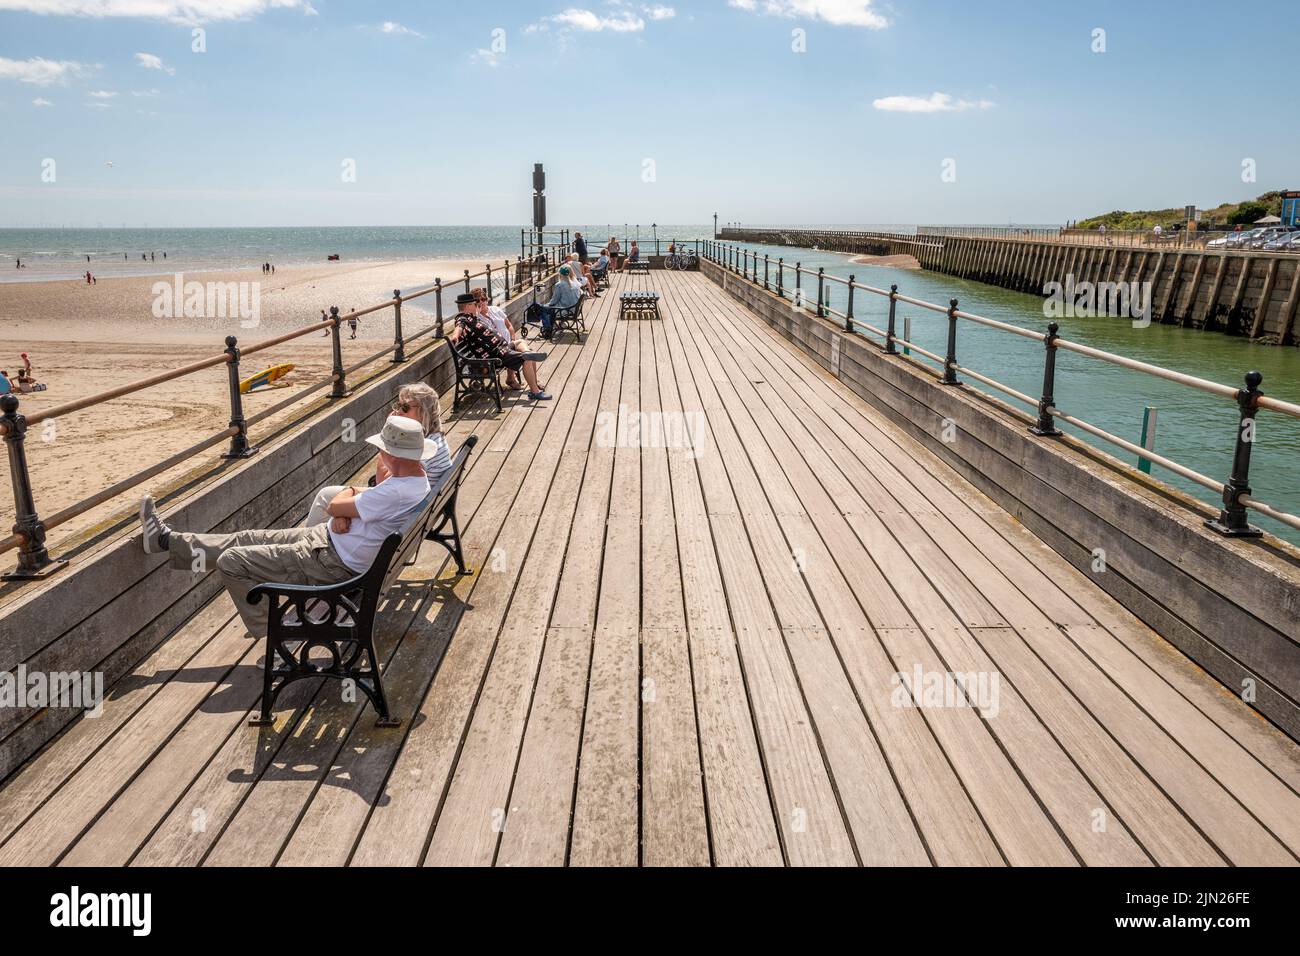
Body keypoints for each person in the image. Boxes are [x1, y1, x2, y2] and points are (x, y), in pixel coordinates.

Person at [140, 415, 434, 638]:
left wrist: (342, 509)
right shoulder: (415, 483)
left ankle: (275, 631)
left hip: (329, 563)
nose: (379, 453)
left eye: (382, 449)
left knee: (232, 561)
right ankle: (166, 541)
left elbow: (338, 502)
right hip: (327, 545)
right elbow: (353, 496)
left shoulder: (395, 490)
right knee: (247, 538)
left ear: (392, 455)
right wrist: (345, 510)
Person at [306, 383, 451, 525]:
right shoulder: (433, 438)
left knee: (326, 498)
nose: (399, 411)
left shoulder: (420, 448)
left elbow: (382, 481)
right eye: (398, 405)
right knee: (327, 495)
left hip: (404, 511)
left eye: (405, 407)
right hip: (413, 506)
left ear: (424, 412)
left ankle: (316, 541)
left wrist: (387, 438)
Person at [449, 291, 550, 400]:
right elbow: (459, 325)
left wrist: (477, 313)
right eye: (475, 304)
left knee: (521, 343)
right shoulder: (463, 318)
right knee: (528, 358)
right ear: (468, 306)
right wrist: (455, 336)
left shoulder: (472, 317)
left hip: (501, 348)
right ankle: (535, 391)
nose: (477, 305)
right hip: (495, 355)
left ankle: (527, 355)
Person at [472, 286, 526, 390]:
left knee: (526, 351)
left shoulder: (495, 309)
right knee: (522, 353)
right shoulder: (477, 319)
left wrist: (513, 339)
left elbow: (509, 325)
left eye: (483, 299)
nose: (481, 302)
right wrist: (477, 314)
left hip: (509, 343)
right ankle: (512, 379)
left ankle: (532, 380)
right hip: (498, 349)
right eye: (478, 300)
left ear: (487, 300)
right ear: (474, 303)